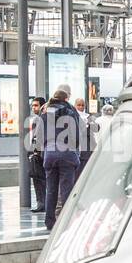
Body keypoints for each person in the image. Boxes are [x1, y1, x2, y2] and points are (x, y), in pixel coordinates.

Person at [40, 86, 82, 229]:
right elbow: (76, 135)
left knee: (50, 190)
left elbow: (39, 135)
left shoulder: (45, 112)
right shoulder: (70, 112)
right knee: (66, 190)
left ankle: (49, 222)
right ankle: (66, 223)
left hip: (49, 154)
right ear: (65, 99)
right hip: (66, 154)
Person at [26, 97, 46, 212]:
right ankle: (41, 202)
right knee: (37, 179)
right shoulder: (36, 119)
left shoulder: (42, 119)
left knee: (40, 179)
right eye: (32, 105)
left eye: (36, 105)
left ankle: (43, 203)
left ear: (42, 106)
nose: (33, 108)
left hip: (40, 153)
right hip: (36, 153)